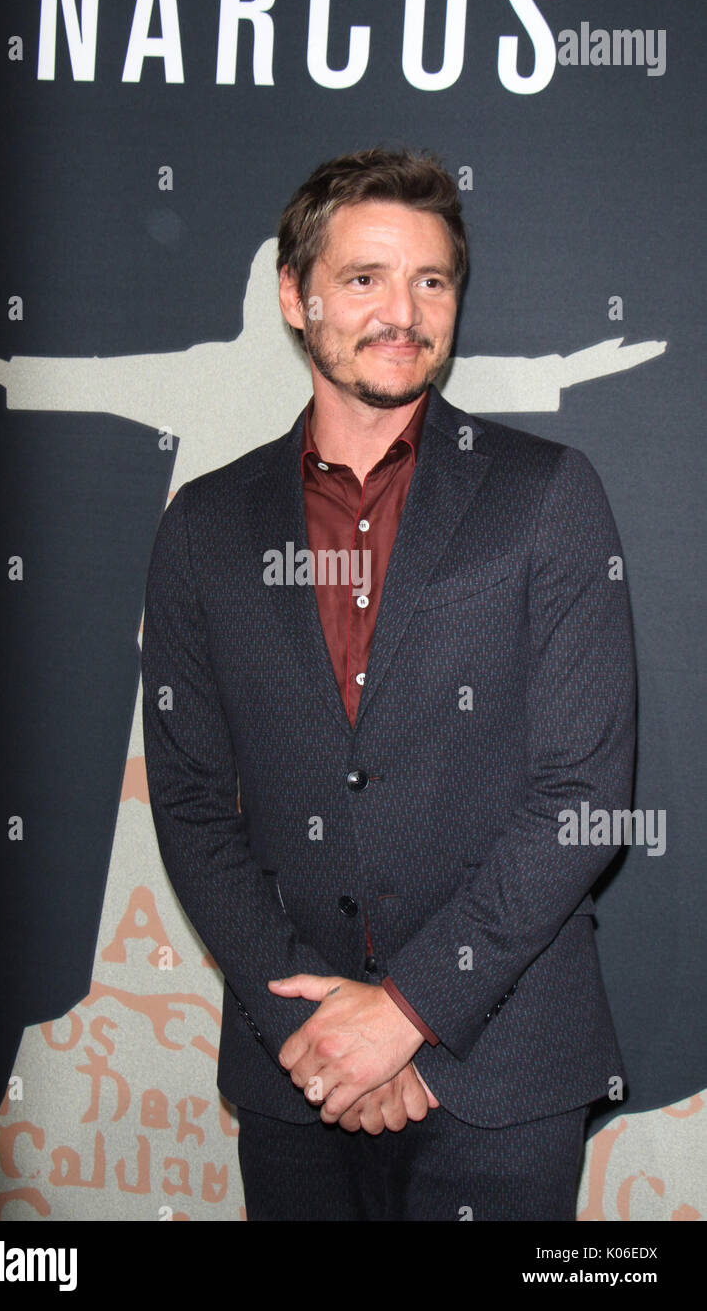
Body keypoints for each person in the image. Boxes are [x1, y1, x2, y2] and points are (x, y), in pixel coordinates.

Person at [141, 147, 636, 1221]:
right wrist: (326, 1037)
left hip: (505, 1071)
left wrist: (407, 1012)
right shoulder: (204, 530)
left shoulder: (544, 496)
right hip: (297, 1076)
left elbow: (583, 798)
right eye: (363, 277)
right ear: (294, 294)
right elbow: (187, 803)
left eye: (431, 280)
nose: (400, 311)